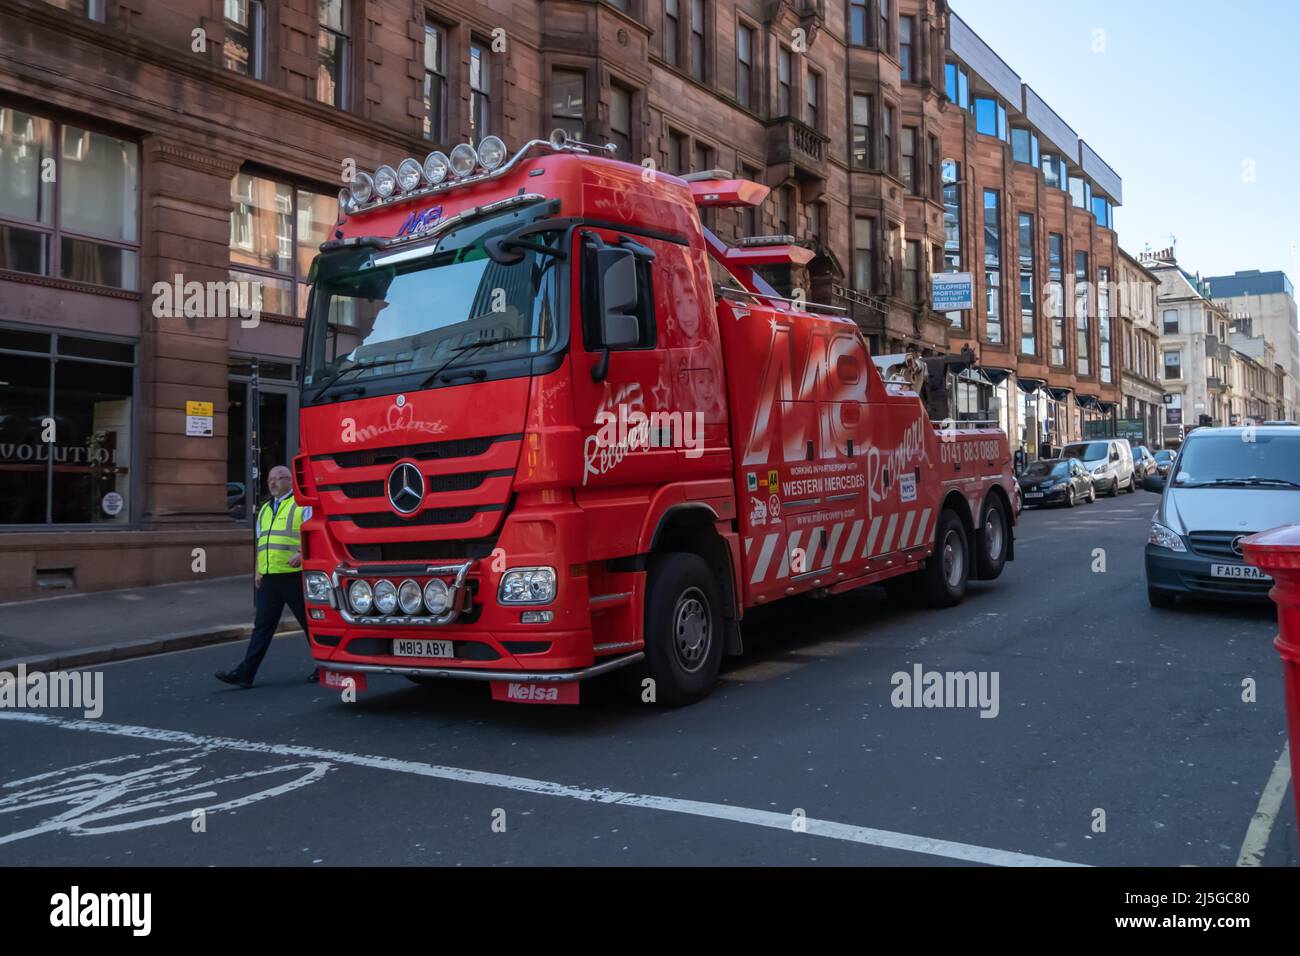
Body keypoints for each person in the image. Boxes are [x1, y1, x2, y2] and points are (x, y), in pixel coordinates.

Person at [216, 465, 316, 689]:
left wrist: (302, 554)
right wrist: (258, 571)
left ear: (290, 481)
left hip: (294, 575)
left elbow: (316, 534)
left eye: (278, 479)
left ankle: (327, 665)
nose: (272, 483)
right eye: (270, 479)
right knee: (262, 627)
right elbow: (261, 543)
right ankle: (245, 674)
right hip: (270, 578)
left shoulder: (302, 505)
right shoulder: (265, 509)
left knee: (309, 623)